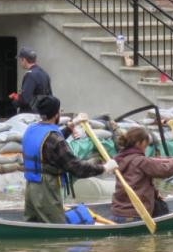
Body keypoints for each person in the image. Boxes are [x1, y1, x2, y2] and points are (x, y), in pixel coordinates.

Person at [22, 95, 117, 223]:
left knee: (33, 222)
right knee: (56, 228)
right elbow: (76, 168)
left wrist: (71, 125)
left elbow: (50, 141)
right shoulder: (55, 139)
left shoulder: (32, 129)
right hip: (46, 188)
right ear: (56, 114)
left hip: (31, 186)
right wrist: (104, 168)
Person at [111, 126, 173, 222]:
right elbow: (165, 170)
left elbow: (135, 183)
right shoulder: (141, 161)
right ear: (142, 143)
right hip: (135, 214)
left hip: (117, 212)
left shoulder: (119, 159)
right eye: (147, 144)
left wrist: (154, 193)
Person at [10, 47, 52, 114]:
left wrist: (15, 100)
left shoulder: (30, 75)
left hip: (30, 116)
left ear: (24, 60)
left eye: (20, 60)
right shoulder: (44, 73)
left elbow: (25, 99)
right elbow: (50, 96)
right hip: (42, 114)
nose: (20, 62)